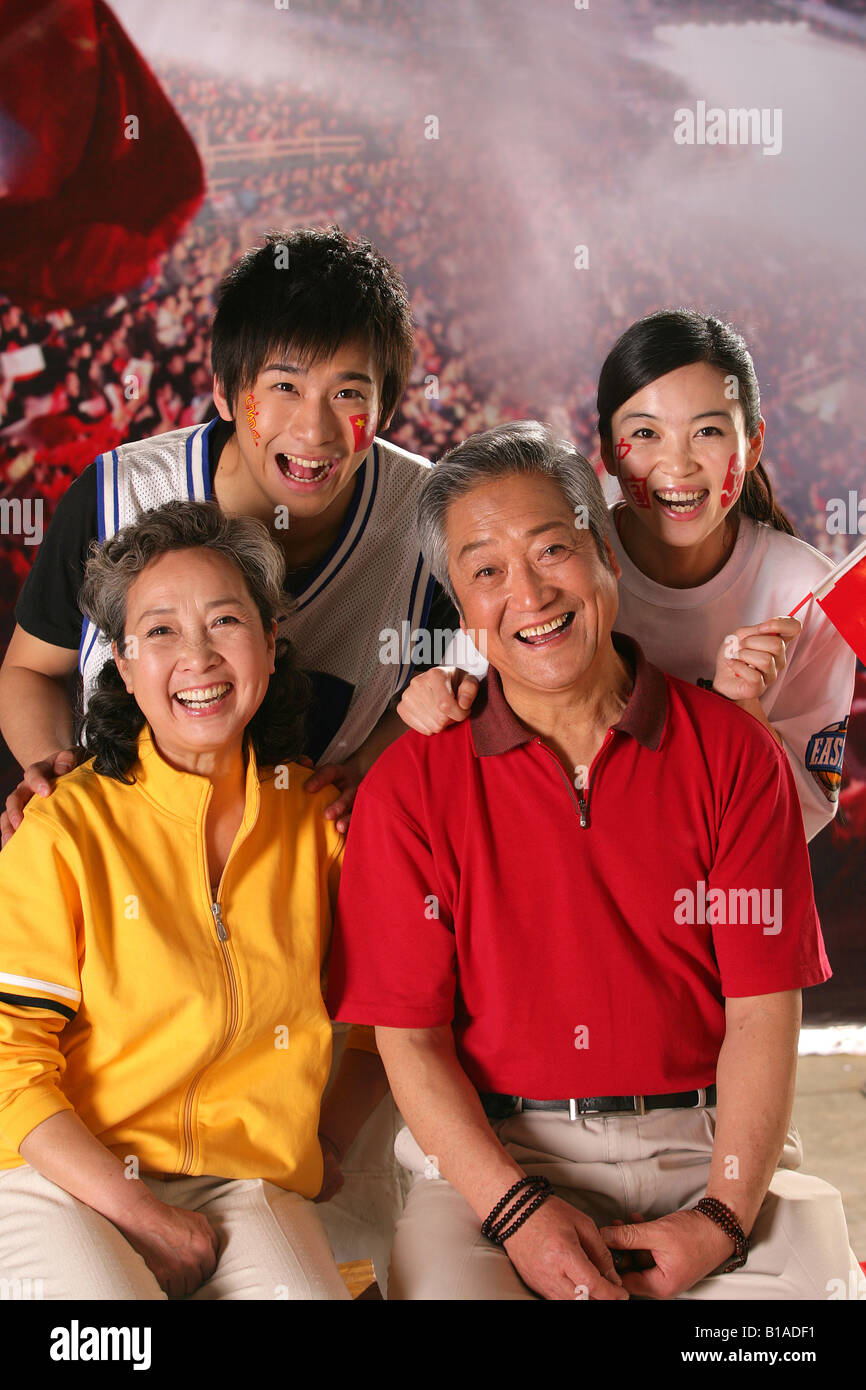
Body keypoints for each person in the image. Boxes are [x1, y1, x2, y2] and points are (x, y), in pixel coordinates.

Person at [326, 422, 865, 1301]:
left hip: (713, 1152)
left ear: (604, 551)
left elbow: (763, 1013)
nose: (529, 594)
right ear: (460, 607)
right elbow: (411, 1042)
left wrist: (722, 1215)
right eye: (486, 572)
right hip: (494, 1174)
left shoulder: (734, 755)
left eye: (552, 550)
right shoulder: (413, 783)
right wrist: (516, 1214)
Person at [0, 500, 387, 1300]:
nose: (199, 657)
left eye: (225, 621)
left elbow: (389, 1016)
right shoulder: (66, 827)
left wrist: (321, 1141)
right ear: (125, 662)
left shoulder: (322, 824)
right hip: (64, 1177)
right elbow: (6, 1059)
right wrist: (138, 1211)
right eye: (162, 631)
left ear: (271, 645)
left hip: (246, 1183)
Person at [0, 225, 458, 842]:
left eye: (348, 392)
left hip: (304, 870)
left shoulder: (435, 516)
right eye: (284, 387)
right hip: (124, 846)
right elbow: (30, 670)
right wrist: (54, 773)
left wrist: (372, 765)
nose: (314, 430)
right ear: (224, 389)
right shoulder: (117, 493)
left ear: (387, 406)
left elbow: (468, 678)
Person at [397, 310, 856, 842]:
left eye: (707, 431)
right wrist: (436, 693)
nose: (678, 466)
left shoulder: (809, 592)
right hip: (558, 847)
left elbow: (805, 812)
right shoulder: (562, 556)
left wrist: (744, 716)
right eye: (645, 433)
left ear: (753, 443)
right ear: (609, 453)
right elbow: (468, 690)